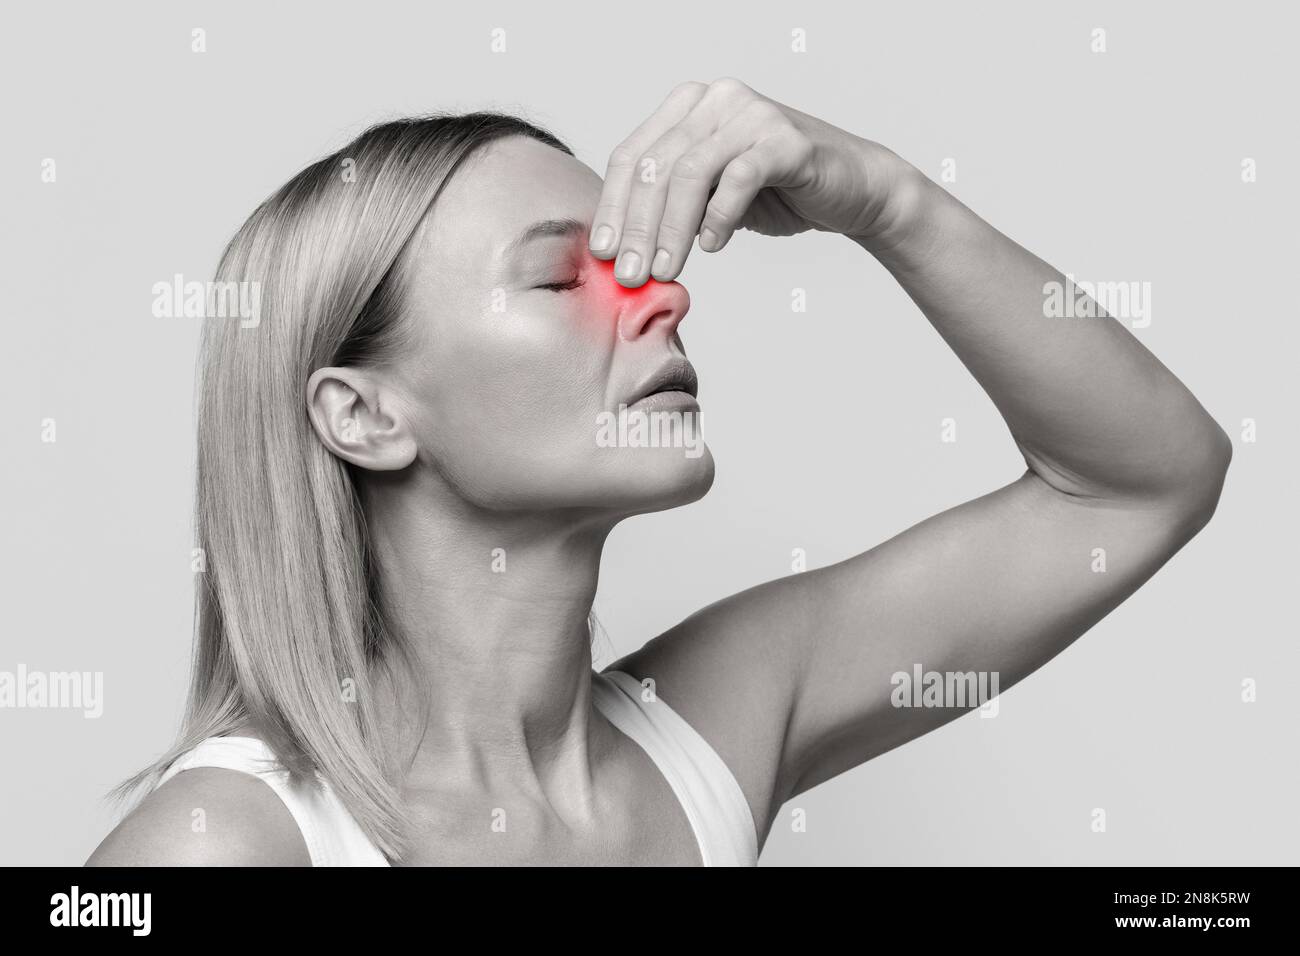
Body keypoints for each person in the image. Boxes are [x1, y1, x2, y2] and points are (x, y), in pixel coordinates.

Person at [87, 78, 1230, 866]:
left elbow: (1138, 481)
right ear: (364, 414)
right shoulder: (224, 842)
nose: (664, 293)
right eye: (557, 278)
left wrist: (885, 199)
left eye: (639, 261)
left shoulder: (712, 727)